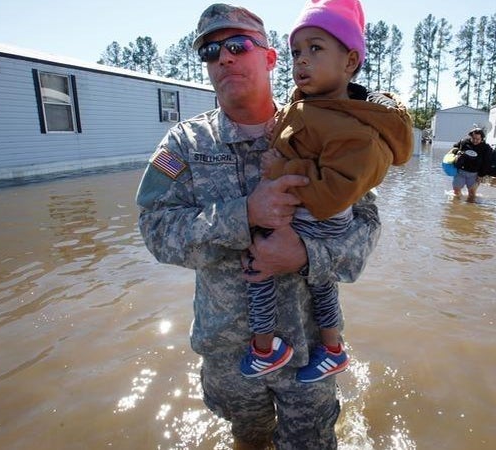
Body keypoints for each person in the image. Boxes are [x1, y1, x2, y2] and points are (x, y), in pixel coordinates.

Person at [135, 3, 382, 448]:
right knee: (249, 440)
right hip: (231, 357)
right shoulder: (185, 144)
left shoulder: (320, 129)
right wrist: (244, 214)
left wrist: (307, 255)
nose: (223, 58)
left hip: (311, 351)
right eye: (210, 52)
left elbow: (366, 223)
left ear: (270, 58)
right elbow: (155, 230)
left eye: (237, 45)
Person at [240, 0, 413, 384]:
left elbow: (334, 192)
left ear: (350, 62)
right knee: (320, 285)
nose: (301, 60)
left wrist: (280, 169)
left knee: (259, 264)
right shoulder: (310, 105)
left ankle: (267, 349)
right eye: (296, 52)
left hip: (320, 216)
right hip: (311, 213)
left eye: (315, 48)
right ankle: (329, 349)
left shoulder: (355, 127)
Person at [451, 126, 492, 202]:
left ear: (482, 139)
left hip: (474, 174)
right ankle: (456, 206)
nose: (475, 141)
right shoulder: (464, 142)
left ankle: (470, 206)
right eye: (473, 138)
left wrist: (481, 175)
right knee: (456, 192)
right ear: (470, 136)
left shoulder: (486, 148)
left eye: (478, 139)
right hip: (460, 172)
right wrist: (457, 152)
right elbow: (454, 149)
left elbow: (487, 162)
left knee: (472, 194)